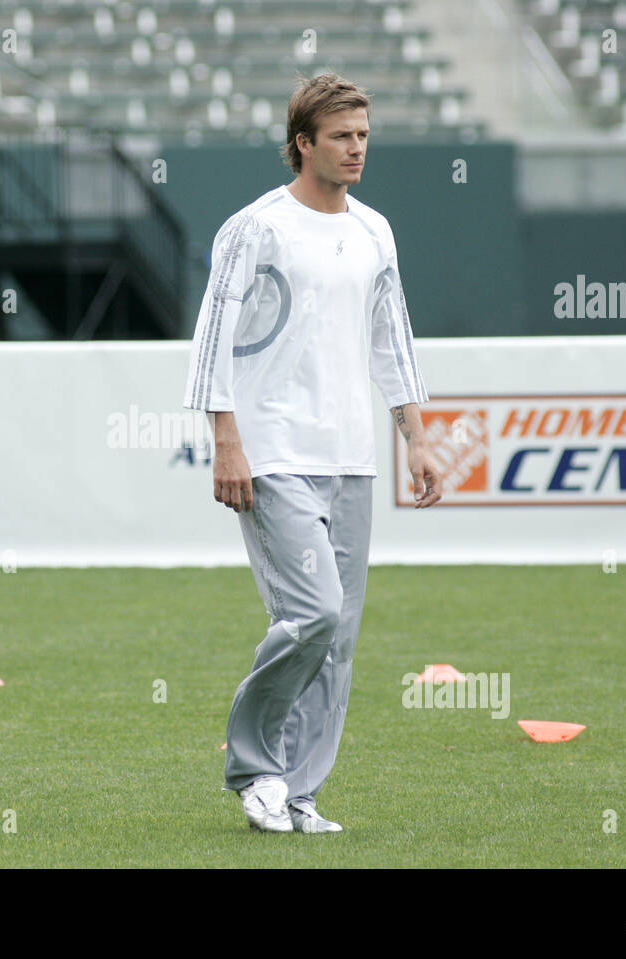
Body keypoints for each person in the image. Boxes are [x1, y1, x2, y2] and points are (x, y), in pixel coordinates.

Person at [182, 73, 443, 833]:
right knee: (313, 613)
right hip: (271, 451)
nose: (357, 148)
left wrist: (416, 439)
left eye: (363, 135)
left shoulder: (375, 231)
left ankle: (298, 792)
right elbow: (210, 344)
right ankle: (255, 766)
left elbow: (391, 340)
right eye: (341, 136)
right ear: (303, 143)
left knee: (340, 639)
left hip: (352, 457)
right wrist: (225, 441)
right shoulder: (255, 228)